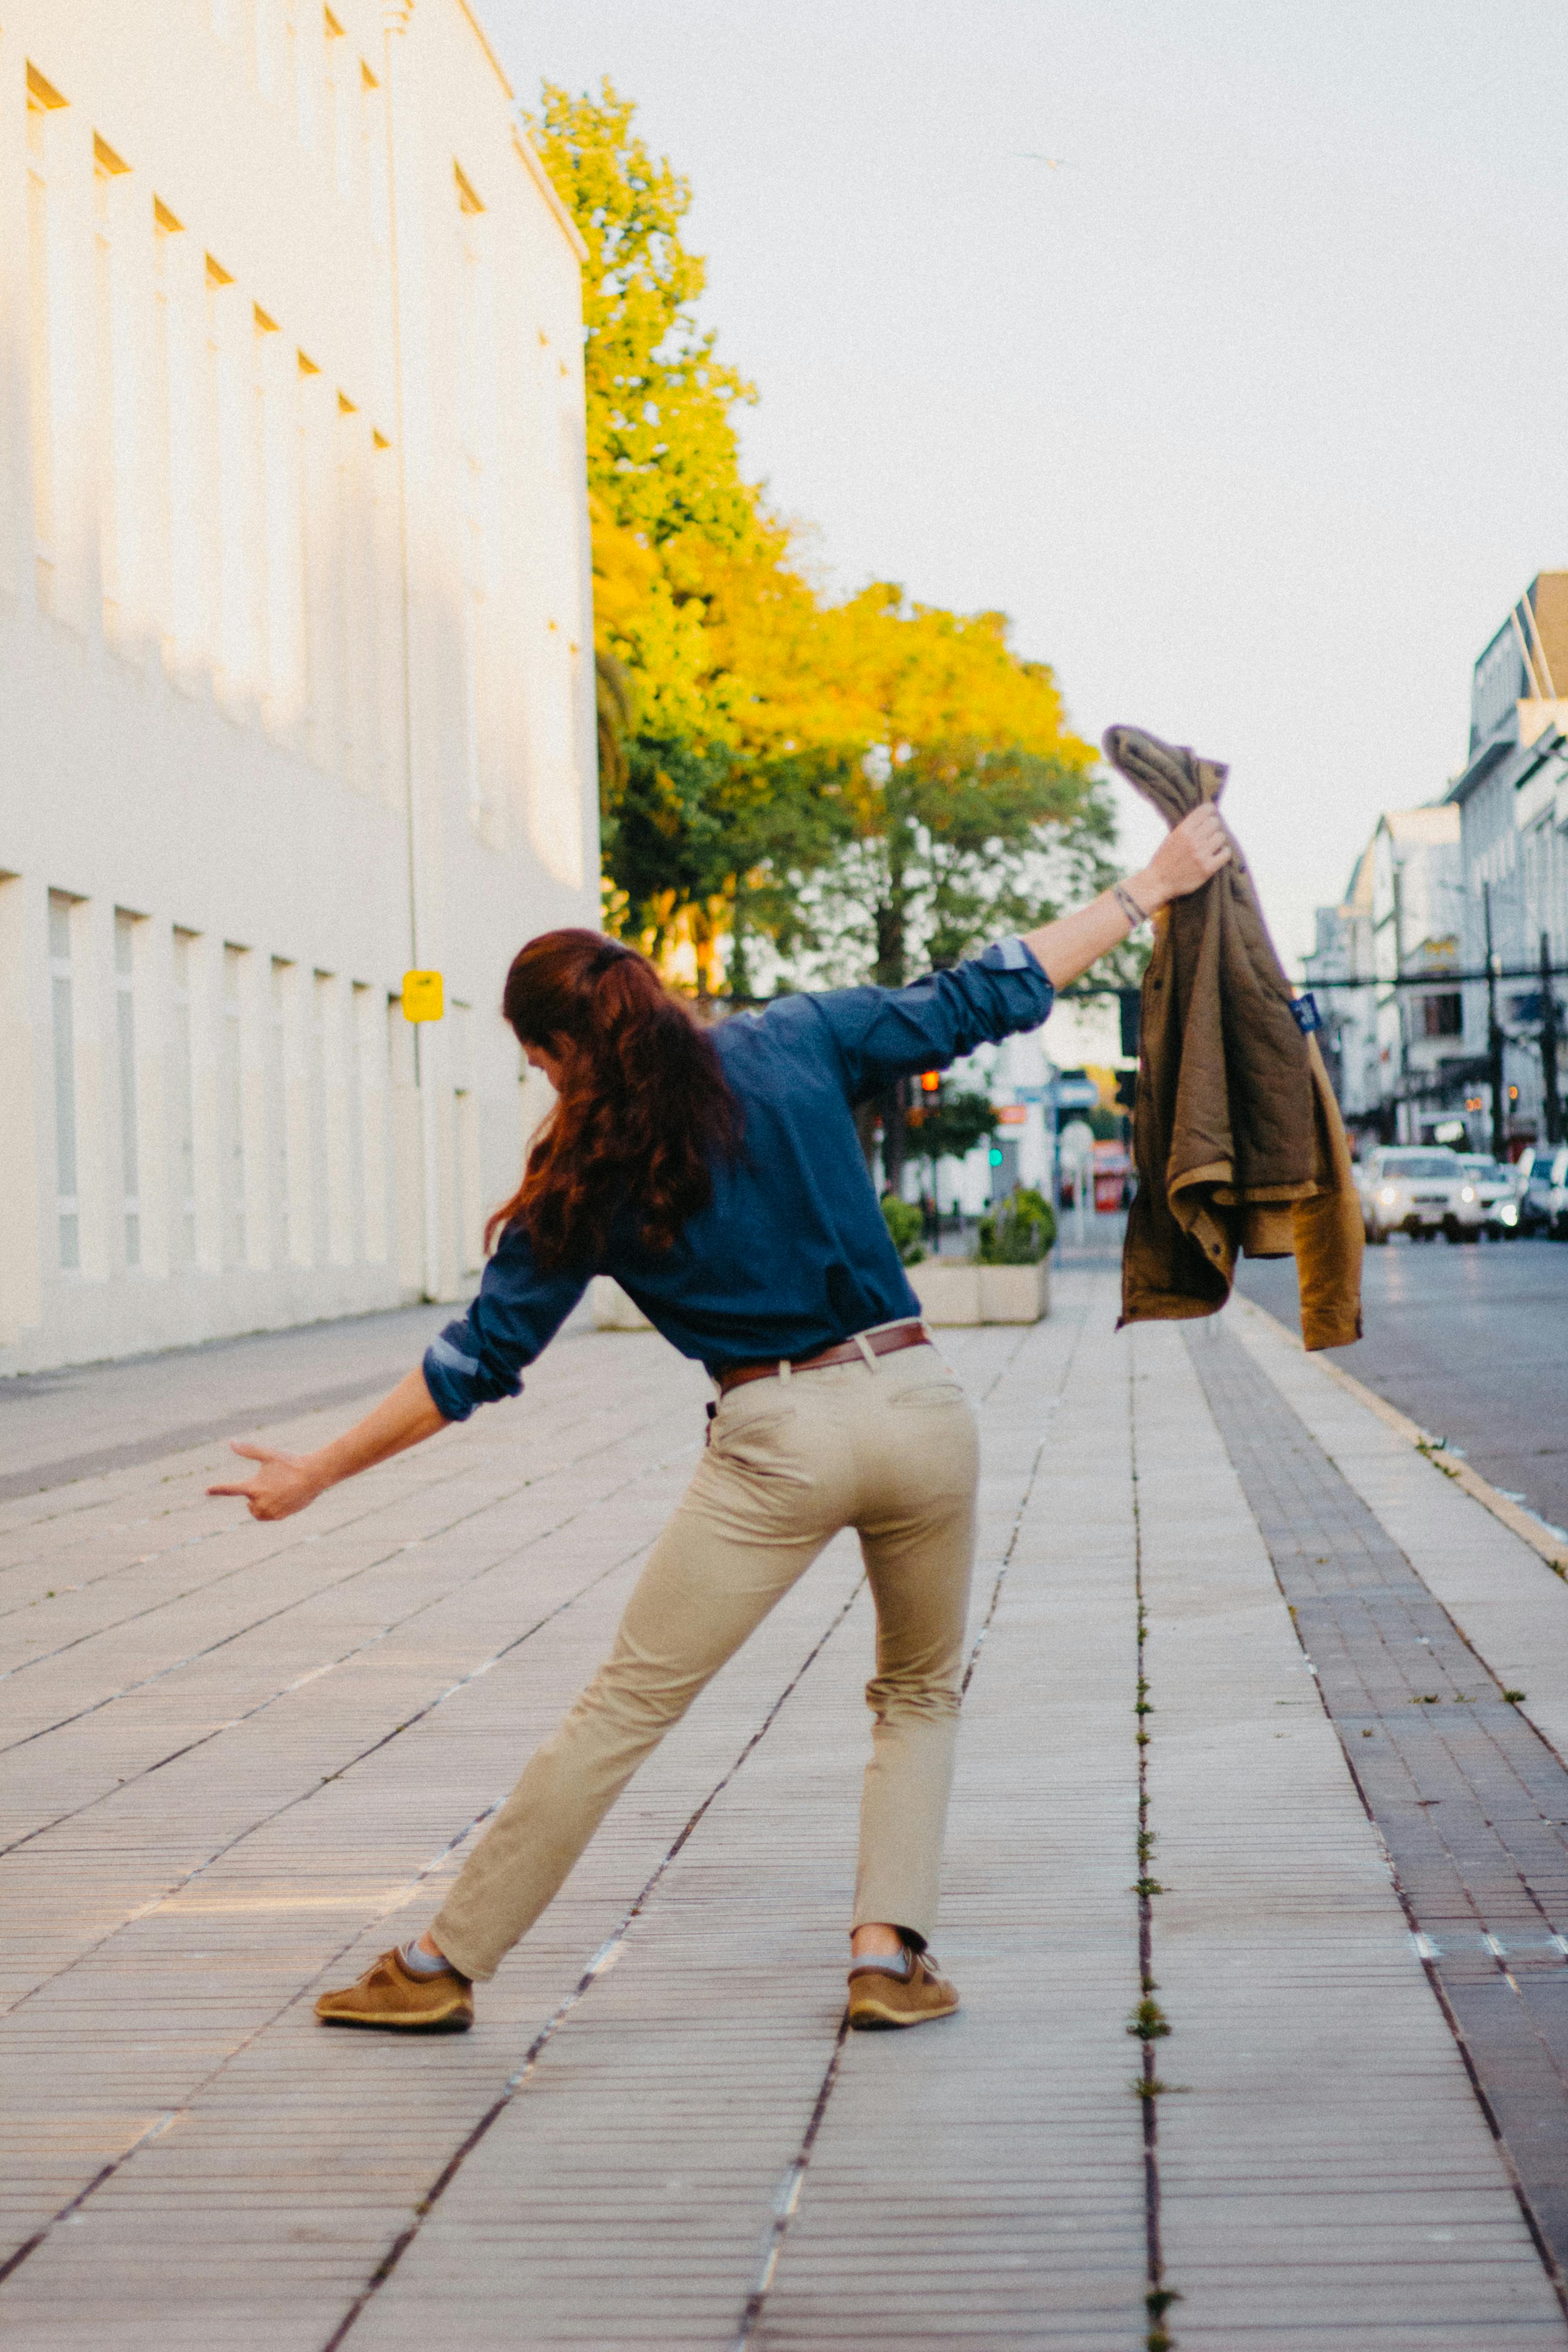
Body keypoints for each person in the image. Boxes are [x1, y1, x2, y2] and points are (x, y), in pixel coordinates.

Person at [211, 806, 1231, 2034]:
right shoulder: (797, 1039)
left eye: (535, 1060)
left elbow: (471, 1365)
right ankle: (883, 1960)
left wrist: (316, 1471)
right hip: (919, 1406)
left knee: (623, 1711)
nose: (539, 1080)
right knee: (918, 1695)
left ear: (553, 1049)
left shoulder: (578, 1178)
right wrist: (1145, 890)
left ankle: (438, 1969)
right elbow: (982, 996)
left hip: (776, 1441)